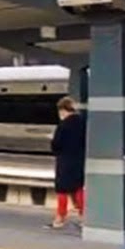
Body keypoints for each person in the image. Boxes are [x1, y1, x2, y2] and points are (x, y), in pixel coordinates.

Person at [49, 95, 85, 229]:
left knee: (62, 190)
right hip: (79, 160)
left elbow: (56, 145)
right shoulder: (82, 122)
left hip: (65, 161)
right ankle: (84, 216)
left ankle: (60, 218)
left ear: (63, 110)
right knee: (79, 188)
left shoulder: (63, 125)